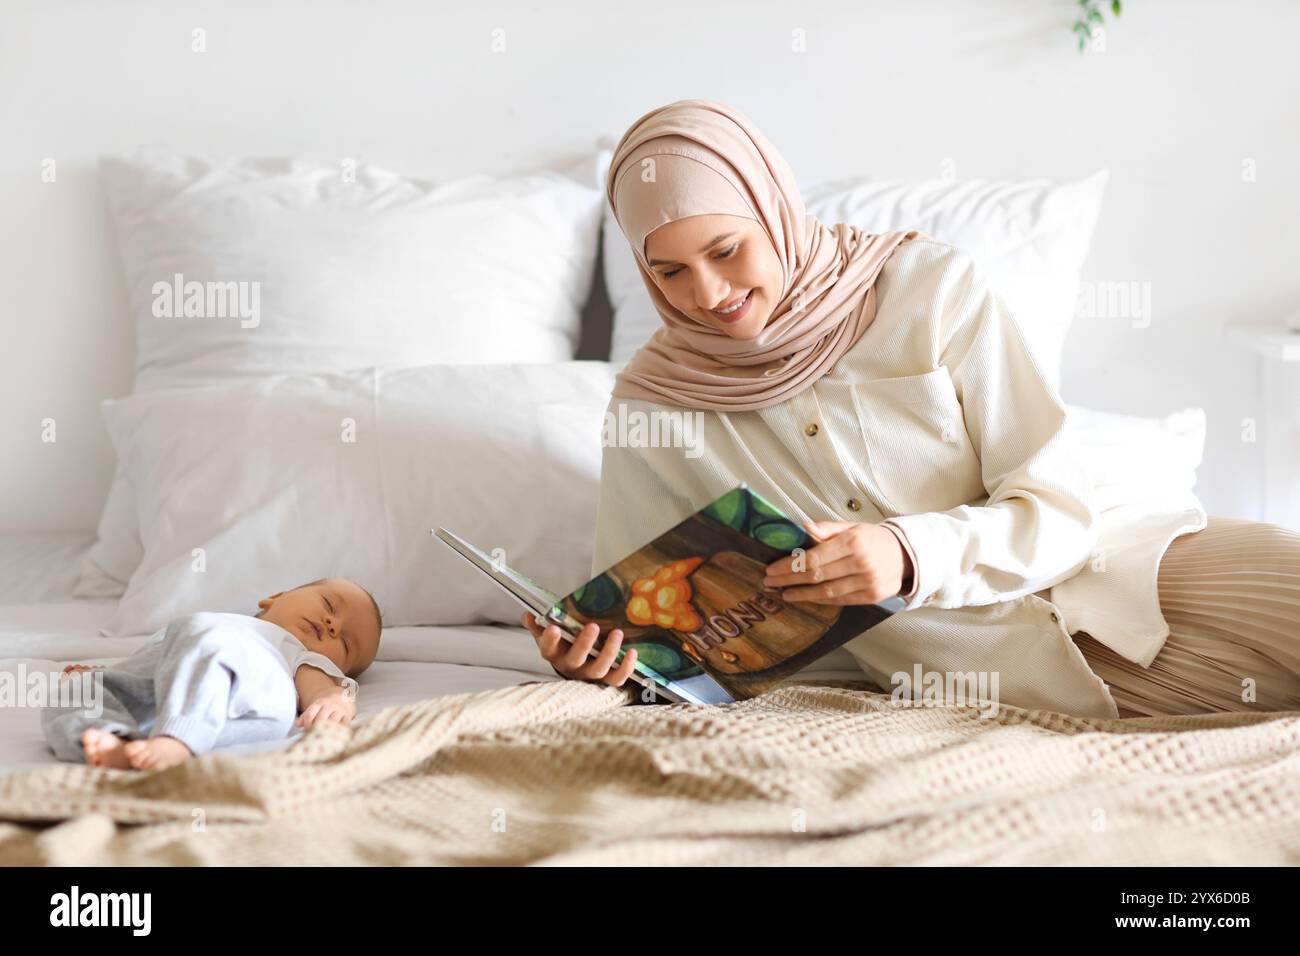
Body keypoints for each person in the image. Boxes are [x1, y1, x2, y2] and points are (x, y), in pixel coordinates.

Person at [524, 98, 1300, 719]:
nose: (707, 295)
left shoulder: (926, 289)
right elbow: (655, 628)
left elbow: (1062, 505)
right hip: (1006, 678)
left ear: (777, 210)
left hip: (1138, 571)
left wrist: (908, 553)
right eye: (668, 272)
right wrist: (597, 659)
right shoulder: (655, 403)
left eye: (726, 251)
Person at [43, 577, 382, 770]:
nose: (332, 623)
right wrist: (107, 673)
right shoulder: (231, 627)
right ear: (275, 597)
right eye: (328, 604)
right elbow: (155, 664)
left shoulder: (289, 650)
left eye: (347, 643)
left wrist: (330, 697)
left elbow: (316, 680)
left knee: (201, 628)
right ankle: (121, 744)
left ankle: (177, 741)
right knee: (75, 694)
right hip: (169, 702)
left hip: (251, 706)